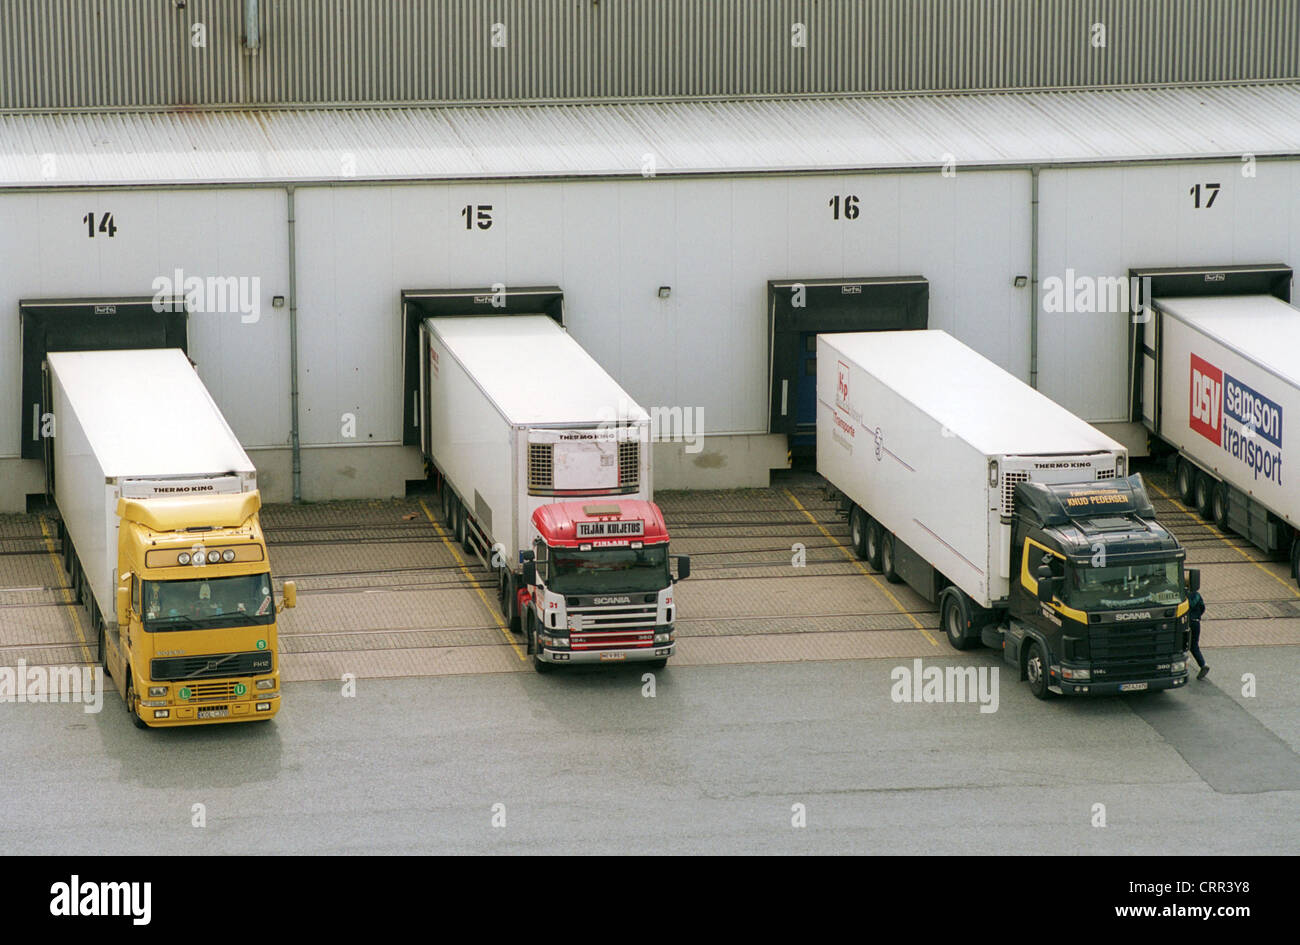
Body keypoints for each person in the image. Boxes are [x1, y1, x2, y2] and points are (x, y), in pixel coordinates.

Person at [1187, 580, 1208, 680]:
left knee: (1182, 644)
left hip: (1186, 623)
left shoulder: (1183, 595)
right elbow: (1203, 607)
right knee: (1194, 645)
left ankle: (1183, 666)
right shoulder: (1197, 595)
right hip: (1196, 623)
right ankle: (1203, 664)